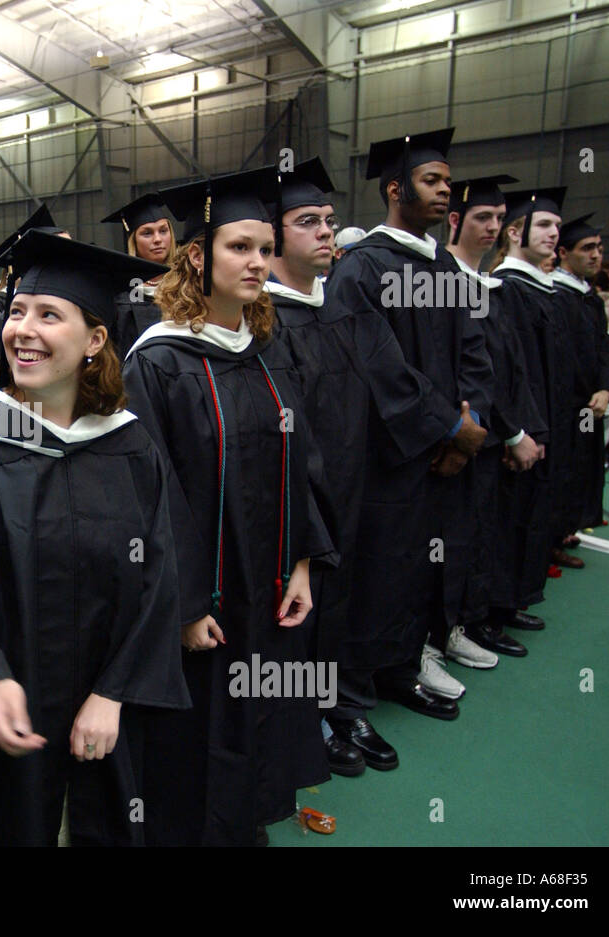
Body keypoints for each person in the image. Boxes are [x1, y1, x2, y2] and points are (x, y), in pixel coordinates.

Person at [0, 230, 194, 845]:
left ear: (95, 340)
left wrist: (114, 692)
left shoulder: (129, 446)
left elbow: (158, 580)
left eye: (50, 315)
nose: (24, 329)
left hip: (105, 718)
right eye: (16, 311)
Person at [123, 166, 333, 845]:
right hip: (205, 599)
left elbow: (302, 461)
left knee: (262, 711)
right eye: (239, 246)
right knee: (199, 732)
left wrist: (302, 560)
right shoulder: (156, 364)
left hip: (269, 590)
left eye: (265, 248)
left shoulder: (268, 353)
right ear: (196, 256)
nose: (257, 262)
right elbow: (149, 496)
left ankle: (244, 822)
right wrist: (185, 605)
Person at [321, 128, 494, 761]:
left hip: (441, 458)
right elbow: (376, 367)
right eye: (431, 180)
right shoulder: (362, 269)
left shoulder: (444, 266)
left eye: (448, 181)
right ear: (396, 190)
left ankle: (397, 670)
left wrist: (471, 428)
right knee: (373, 575)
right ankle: (349, 699)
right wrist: (448, 427)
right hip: (385, 459)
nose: (446, 190)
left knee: (418, 571)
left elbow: (474, 349)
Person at [265, 158, 372, 777]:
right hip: (298, 501)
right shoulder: (265, 323)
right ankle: (302, 725)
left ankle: (337, 708)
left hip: (353, 487)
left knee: (343, 604)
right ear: (276, 237)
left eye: (330, 221)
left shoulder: (341, 307)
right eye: (308, 222)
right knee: (298, 617)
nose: (327, 232)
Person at [446, 175, 550, 652]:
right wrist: (509, 434)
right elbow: (473, 373)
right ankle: (457, 626)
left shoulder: (494, 289)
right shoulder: (442, 282)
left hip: (500, 435)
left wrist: (524, 430)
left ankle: (483, 616)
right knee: (461, 537)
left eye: (499, 219)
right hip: (468, 436)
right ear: (455, 221)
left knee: (490, 530)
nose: (493, 227)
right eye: (482, 217)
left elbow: (512, 366)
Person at [488, 187, 572, 647]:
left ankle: (515, 596)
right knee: (507, 519)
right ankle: (494, 608)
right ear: (515, 231)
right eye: (544, 225)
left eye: (557, 227)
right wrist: (516, 430)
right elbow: (509, 370)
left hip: (538, 427)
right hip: (516, 432)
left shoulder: (542, 289)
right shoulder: (509, 288)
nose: (554, 234)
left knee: (528, 515)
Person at [552, 213, 609, 528]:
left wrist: (606, 388)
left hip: (591, 402)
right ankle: (556, 534)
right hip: (564, 405)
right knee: (561, 470)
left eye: (600, 248)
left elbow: (603, 350)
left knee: (584, 468)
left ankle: (575, 523)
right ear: (564, 252)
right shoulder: (553, 295)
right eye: (587, 248)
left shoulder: (590, 299)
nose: (596, 255)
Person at [102, 194, 175, 358]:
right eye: (147, 233)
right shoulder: (121, 291)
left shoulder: (186, 285)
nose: (158, 239)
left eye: (163, 231)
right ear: (133, 240)